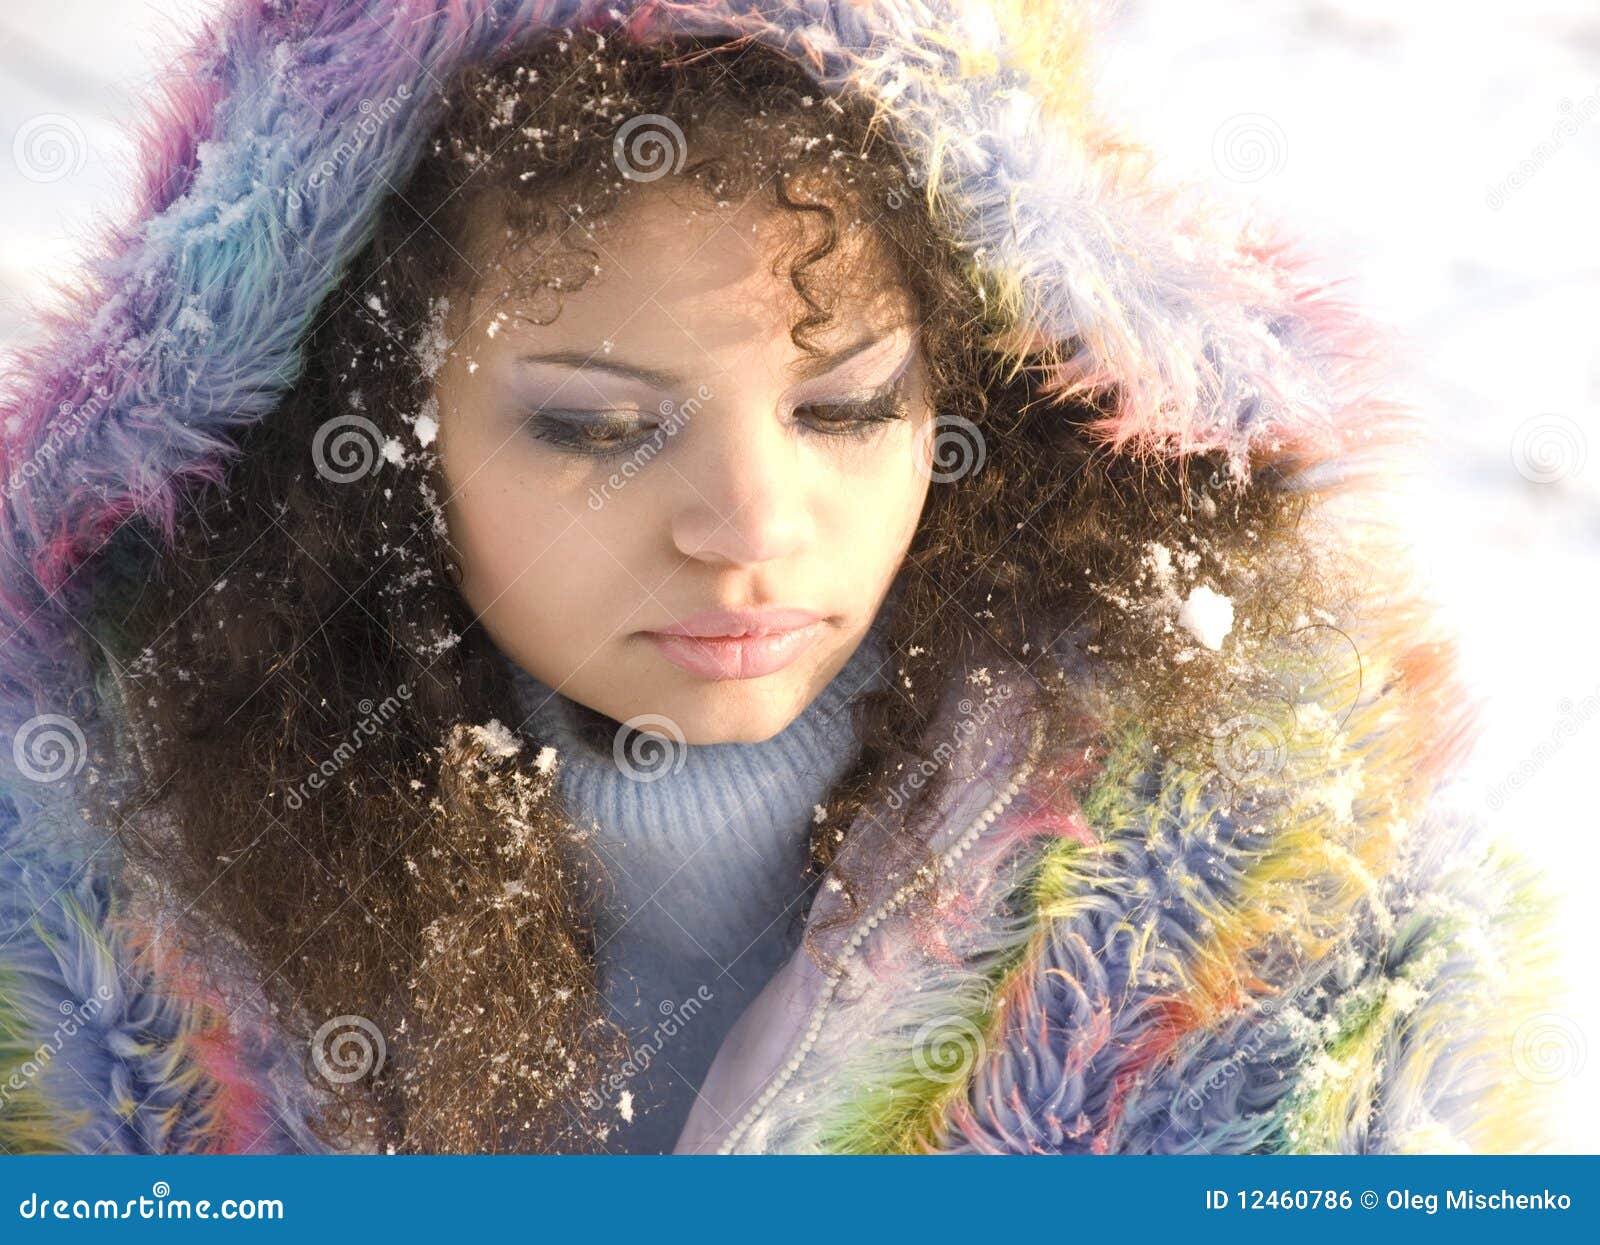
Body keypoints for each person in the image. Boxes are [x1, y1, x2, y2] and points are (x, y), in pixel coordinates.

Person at [0, 0, 1558, 1156]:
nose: (750, 526)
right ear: (372, 435)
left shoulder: (1276, 914)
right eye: (599, 427)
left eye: (850, 405)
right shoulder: (86, 900)